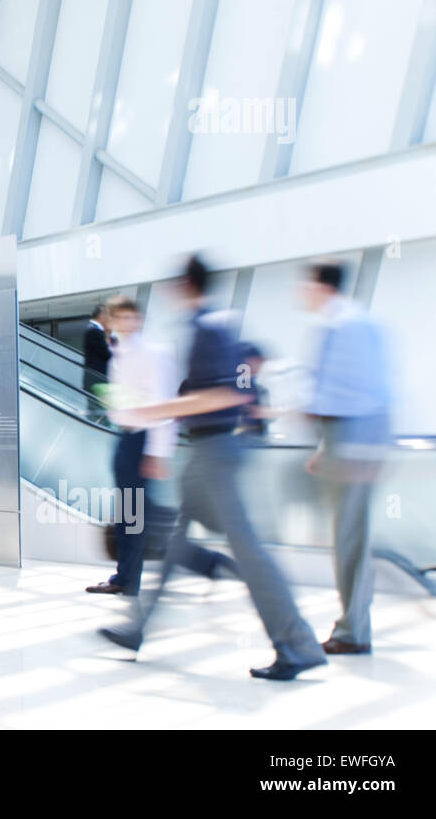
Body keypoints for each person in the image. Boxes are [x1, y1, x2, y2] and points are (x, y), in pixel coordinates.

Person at [100, 255, 327, 681]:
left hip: (214, 456)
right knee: (176, 548)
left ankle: (297, 644)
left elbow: (226, 396)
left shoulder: (207, 329)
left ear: (185, 285)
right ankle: (138, 629)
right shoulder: (213, 326)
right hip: (206, 453)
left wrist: (155, 409)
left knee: (249, 551)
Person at [86, 296, 233, 596]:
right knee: (131, 513)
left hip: (143, 439)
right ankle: (126, 577)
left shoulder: (153, 353)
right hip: (125, 436)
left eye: (132, 318)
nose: (127, 324)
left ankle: (206, 563)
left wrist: (157, 452)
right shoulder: (119, 355)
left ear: (139, 320)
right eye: (120, 318)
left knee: (141, 515)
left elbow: (164, 401)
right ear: (111, 321)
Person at [299, 261, 393, 656]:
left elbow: (353, 393)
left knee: (350, 539)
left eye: (305, 284)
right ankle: (354, 626)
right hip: (351, 441)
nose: (301, 292)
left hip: (354, 442)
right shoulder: (354, 321)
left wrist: (348, 447)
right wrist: (326, 447)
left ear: (320, 285)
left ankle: (354, 632)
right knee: (351, 538)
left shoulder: (342, 325)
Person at [82, 302, 111, 394]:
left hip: (97, 379)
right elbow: (106, 353)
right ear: (101, 315)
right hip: (96, 379)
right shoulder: (94, 331)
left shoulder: (95, 330)